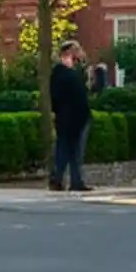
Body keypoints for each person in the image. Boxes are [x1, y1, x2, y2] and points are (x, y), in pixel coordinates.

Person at [50, 40, 94, 191]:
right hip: (73, 118)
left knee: (66, 150)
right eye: (77, 50)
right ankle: (69, 180)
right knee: (72, 150)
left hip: (68, 118)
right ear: (68, 53)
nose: (80, 53)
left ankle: (63, 180)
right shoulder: (66, 74)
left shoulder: (62, 73)